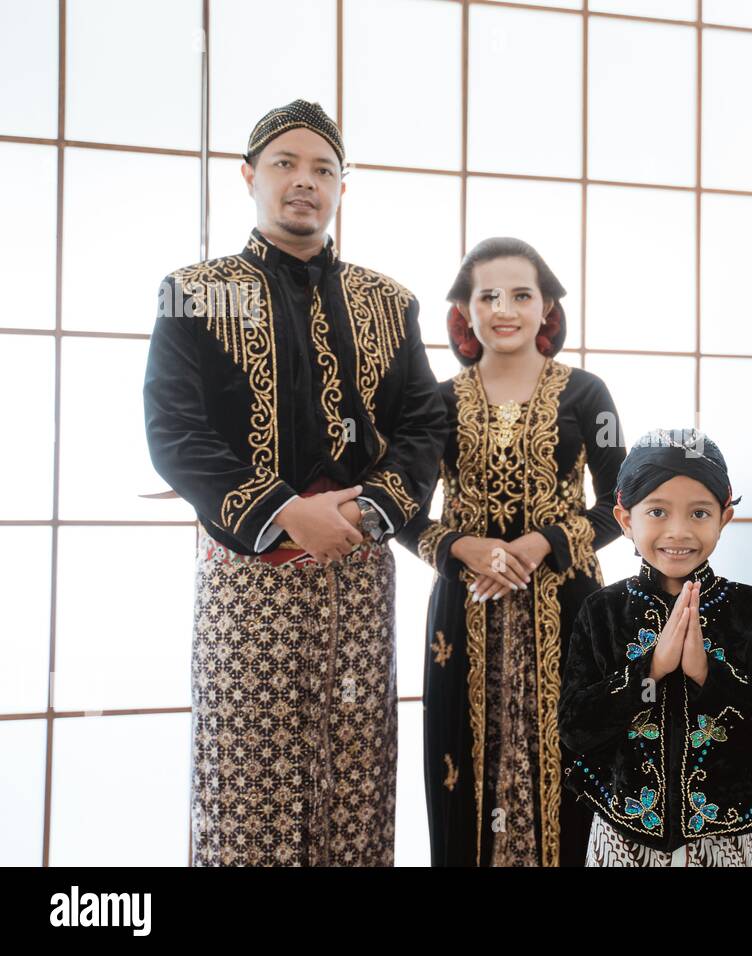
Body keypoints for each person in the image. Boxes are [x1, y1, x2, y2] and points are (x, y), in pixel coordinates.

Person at [143, 99, 446, 866]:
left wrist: (374, 509)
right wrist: (282, 512)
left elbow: (423, 426)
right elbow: (174, 433)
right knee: (250, 788)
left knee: (354, 782)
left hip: (359, 570)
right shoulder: (193, 292)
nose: (304, 181)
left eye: (323, 169)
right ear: (249, 177)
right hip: (247, 582)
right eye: (285, 164)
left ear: (345, 186)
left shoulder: (392, 302)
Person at [395, 237, 626, 866]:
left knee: (570, 772)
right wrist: (465, 547)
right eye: (487, 295)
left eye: (522, 294)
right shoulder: (436, 402)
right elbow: (403, 514)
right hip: (463, 617)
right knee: (462, 772)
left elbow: (622, 506)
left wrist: (537, 544)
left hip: (569, 610)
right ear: (464, 311)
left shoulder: (587, 394)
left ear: (547, 306)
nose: (505, 308)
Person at [558, 429, 752, 866]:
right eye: (657, 511)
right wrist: (650, 669)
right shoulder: (601, 611)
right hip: (621, 837)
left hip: (725, 841)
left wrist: (708, 675)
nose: (678, 531)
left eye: (699, 513)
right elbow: (575, 728)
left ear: (723, 518)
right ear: (624, 519)